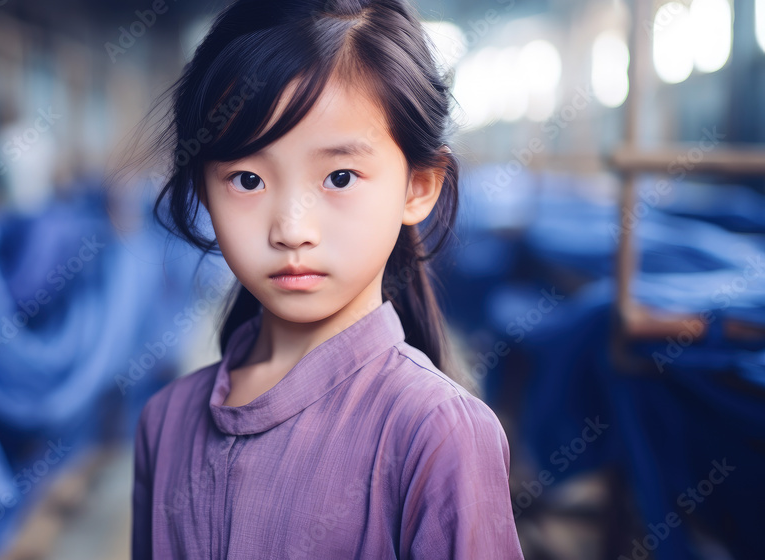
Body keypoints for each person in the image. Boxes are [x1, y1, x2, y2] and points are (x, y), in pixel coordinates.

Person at [128, 0, 524, 557]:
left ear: (418, 187)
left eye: (339, 176)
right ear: (203, 190)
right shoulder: (164, 424)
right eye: (246, 178)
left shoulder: (437, 434)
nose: (292, 230)